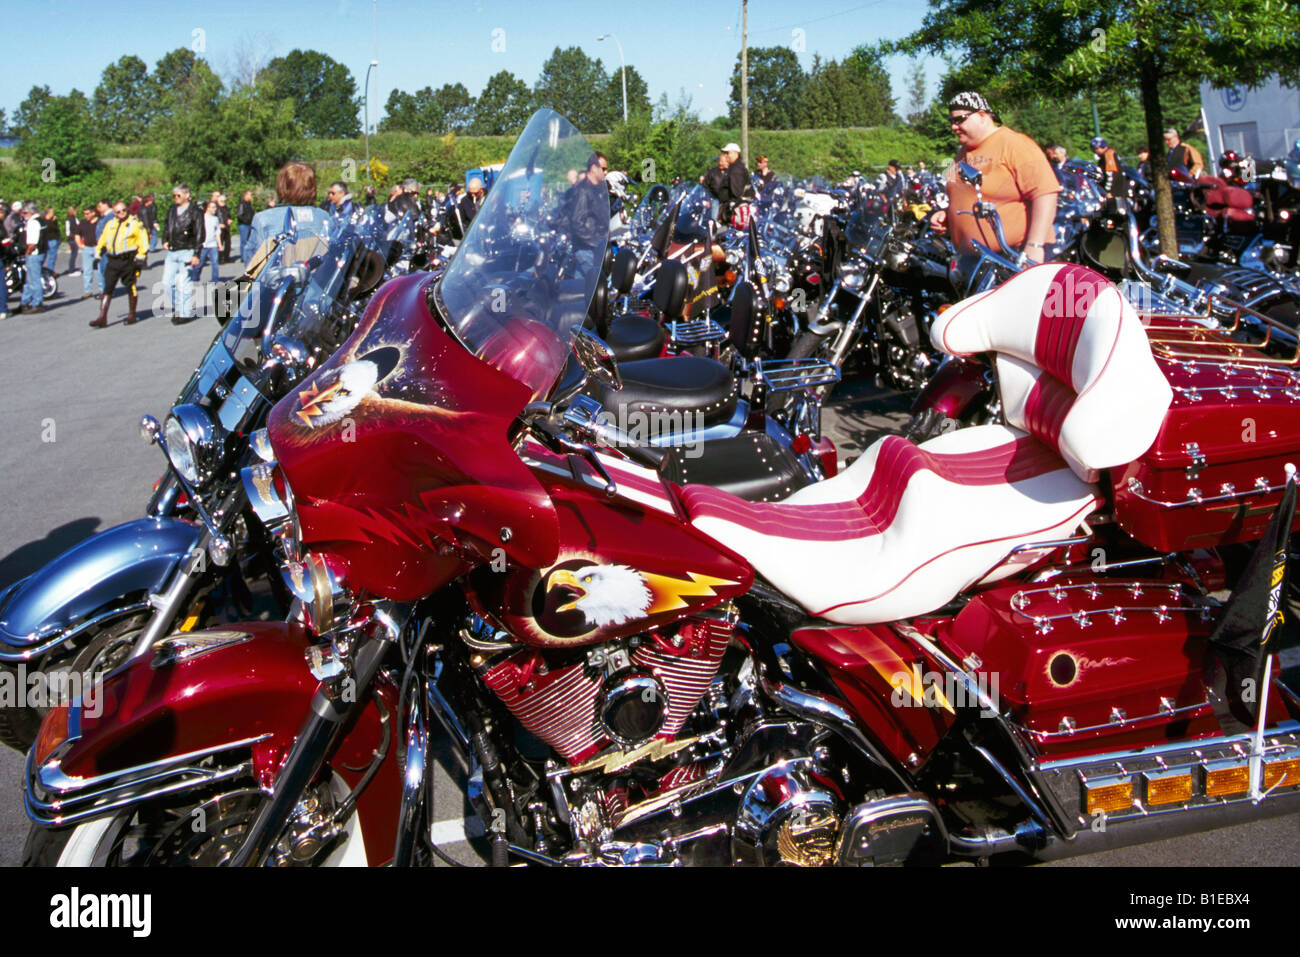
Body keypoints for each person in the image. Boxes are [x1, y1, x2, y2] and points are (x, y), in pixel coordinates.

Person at [930, 91, 1060, 265]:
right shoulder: (962, 153)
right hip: (975, 261)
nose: (954, 127)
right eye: (951, 121)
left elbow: (1046, 193)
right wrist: (948, 216)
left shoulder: (1014, 144)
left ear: (983, 116)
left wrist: (1035, 245)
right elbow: (969, 198)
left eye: (960, 119)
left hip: (1015, 256)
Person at [90, 201, 149, 327]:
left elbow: (143, 240)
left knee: (130, 286)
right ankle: (102, 317)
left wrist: (141, 256)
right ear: (114, 213)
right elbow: (103, 240)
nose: (122, 213)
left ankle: (132, 314)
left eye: (124, 210)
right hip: (113, 260)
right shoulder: (110, 224)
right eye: (118, 211)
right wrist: (97, 254)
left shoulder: (135, 223)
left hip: (129, 259)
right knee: (108, 288)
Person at [162, 184, 203, 323]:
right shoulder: (172, 210)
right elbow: (167, 225)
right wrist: (164, 239)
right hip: (173, 250)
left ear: (187, 195)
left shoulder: (195, 211)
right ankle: (177, 307)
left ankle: (185, 313)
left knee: (183, 282)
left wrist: (196, 253)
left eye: (178, 195)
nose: (175, 198)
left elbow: (200, 233)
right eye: (174, 195)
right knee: (166, 283)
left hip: (187, 249)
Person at [566, 152, 607, 275]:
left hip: (593, 248)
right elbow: (577, 222)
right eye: (603, 168)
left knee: (584, 287)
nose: (606, 172)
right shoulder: (583, 191)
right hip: (587, 250)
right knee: (593, 286)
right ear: (594, 168)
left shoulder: (598, 190)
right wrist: (597, 242)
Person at [19, 202, 45, 314]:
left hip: (34, 253)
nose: (23, 215)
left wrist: (27, 253)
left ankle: (37, 303)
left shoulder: (33, 223)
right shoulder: (41, 220)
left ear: (31, 212)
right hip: (40, 252)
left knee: (34, 280)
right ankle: (25, 302)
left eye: (24, 212)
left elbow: (33, 242)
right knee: (29, 280)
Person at [719, 142, 752, 220]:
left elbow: (737, 192)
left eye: (728, 153)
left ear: (736, 153)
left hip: (735, 210)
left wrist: (732, 205)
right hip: (733, 208)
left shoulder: (736, 170)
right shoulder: (734, 167)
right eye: (724, 153)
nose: (725, 155)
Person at [77, 206, 102, 299]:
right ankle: (88, 291)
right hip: (87, 248)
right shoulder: (83, 223)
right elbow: (77, 234)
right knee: (87, 270)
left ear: (93, 213)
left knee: (99, 270)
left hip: (97, 247)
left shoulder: (100, 222)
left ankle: (102, 289)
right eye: (84, 214)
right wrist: (79, 244)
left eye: (87, 214)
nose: (85, 216)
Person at [200, 199, 222, 282]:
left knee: (215, 263)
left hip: (213, 245)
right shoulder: (202, 217)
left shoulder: (215, 219)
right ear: (207, 208)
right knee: (200, 264)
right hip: (204, 244)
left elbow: (217, 232)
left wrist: (219, 244)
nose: (215, 209)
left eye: (215, 207)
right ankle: (194, 279)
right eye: (212, 207)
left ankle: (215, 280)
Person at [236, 190, 255, 265]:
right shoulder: (242, 204)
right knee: (244, 241)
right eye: (250, 195)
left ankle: (248, 256)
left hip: (249, 224)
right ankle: (243, 257)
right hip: (244, 225)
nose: (251, 196)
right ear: (245, 195)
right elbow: (239, 215)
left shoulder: (249, 204)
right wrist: (246, 221)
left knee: (250, 241)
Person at [63, 206, 79, 273]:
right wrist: (72, 236)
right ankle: (71, 268)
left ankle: (72, 267)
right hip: (72, 238)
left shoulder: (72, 219)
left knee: (74, 253)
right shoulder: (70, 219)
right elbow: (67, 231)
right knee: (74, 254)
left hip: (73, 237)